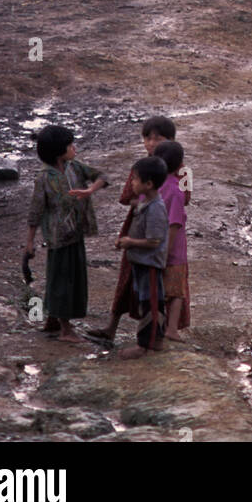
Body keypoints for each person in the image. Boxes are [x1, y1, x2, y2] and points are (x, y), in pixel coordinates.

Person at [88, 115, 177, 343]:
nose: (151, 143)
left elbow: (185, 197)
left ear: (170, 141)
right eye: (147, 138)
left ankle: (157, 334)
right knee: (127, 277)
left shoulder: (181, 170)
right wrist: (147, 200)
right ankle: (112, 326)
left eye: (158, 139)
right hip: (137, 226)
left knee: (159, 284)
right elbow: (126, 196)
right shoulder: (141, 167)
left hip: (163, 230)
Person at [25, 125, 108, 344]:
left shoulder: (75, 167)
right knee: (62, 280)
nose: (75, 149)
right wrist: (30, 242)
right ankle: (66, 329)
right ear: (58, 150)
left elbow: (101, 176)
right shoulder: (44, 178)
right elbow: (36, 210)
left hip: (76, 233)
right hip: (57, 238)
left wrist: (90, 190)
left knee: (70, 278)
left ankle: (53, 319)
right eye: (70, 145)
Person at [116, 155, 169, 359]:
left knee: (151, 304)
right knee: (148, 301)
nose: (132, 182)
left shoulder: (156, 208)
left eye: (135, 179)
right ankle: (155, 340)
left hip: (150, 265)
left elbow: (154, 240)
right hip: (141, 262)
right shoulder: (145, 203)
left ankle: (144, 346)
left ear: (148, 184)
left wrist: (130, 243)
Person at [154, 139, 190, 341]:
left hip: (151, 247)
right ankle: (172, 328)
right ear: (179, 165)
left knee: (156, 290)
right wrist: (166, 251)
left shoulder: (152, 187)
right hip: (173, 251)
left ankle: (157, 326)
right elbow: (174, 224)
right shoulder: (176, 190)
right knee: (176, 292)